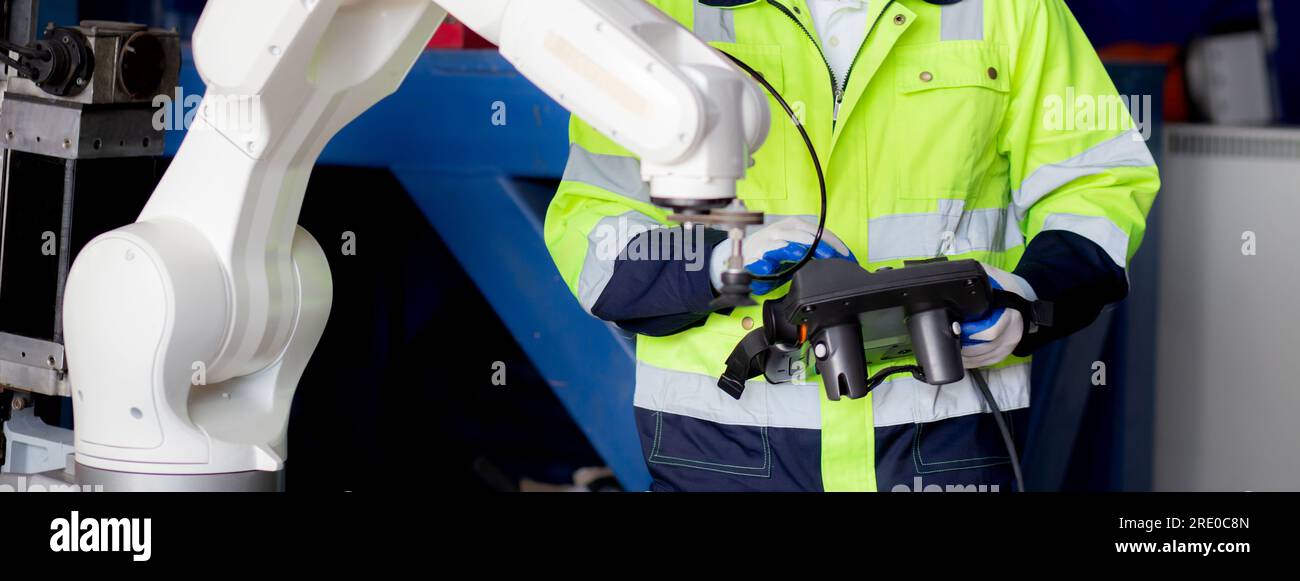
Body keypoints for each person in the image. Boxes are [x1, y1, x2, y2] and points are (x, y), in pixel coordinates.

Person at [544, 0, 1160, 491]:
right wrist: (717, 262)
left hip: (939, 444)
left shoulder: (1009, 8)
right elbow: (597, 235)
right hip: (725, 451)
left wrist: (1029, 299)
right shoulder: (659, 10)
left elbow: (1098, 183)